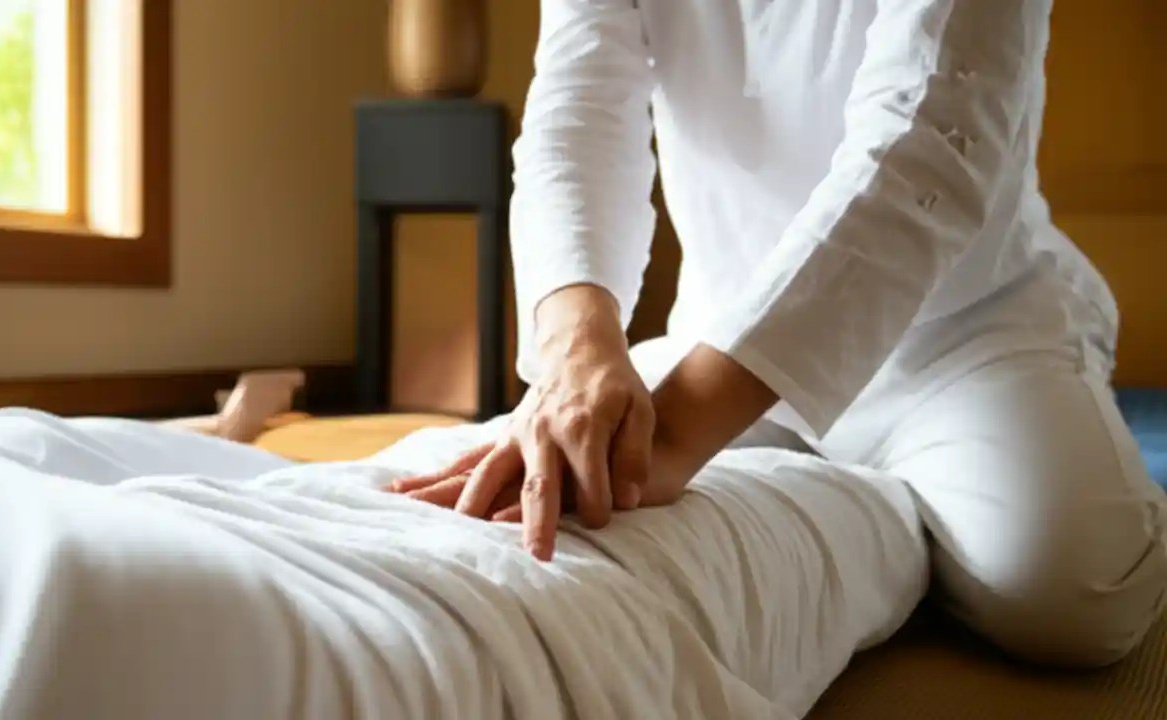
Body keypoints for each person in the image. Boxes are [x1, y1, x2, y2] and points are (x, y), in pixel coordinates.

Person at [391, 0, 1167, 667]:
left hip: (965, 339)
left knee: (1070, 592)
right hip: (721, 331)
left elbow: (928, 137)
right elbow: (577, 109)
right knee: (518, 502)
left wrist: (679, 434)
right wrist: (579, 353)